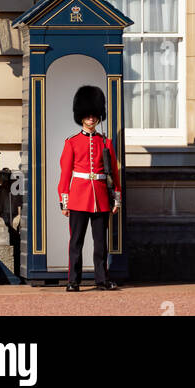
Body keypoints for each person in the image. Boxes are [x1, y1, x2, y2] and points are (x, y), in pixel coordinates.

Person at [58, 85, 122, 290]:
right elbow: (65, 174)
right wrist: (64, 201)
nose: (91, 118)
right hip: (78, 198)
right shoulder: (72, 142)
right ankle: (73, 281)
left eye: (94, 115)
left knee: (100, 243)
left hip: (101, 198)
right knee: (76, 242)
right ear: (81, 117)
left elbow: (113, 173)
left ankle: (102, 279)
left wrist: (116, 198)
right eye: (87, 115)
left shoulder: (106, 143)